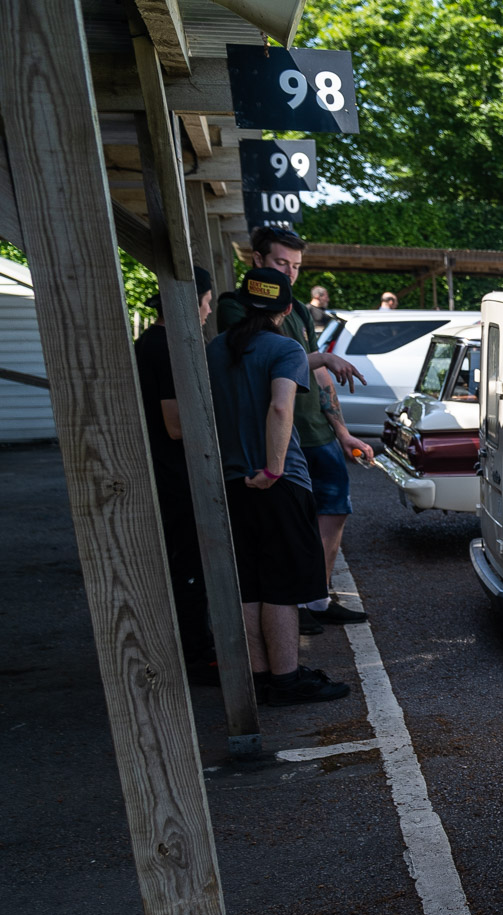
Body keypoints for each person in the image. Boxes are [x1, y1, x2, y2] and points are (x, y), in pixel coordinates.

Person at [217, 226, 374, 631]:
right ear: (257, 260)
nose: (289, 273)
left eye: (296, 266)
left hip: (317, 432)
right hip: (278, 436)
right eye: (280, 263)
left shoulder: (299, 310)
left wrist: (342, 431)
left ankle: (317, 598)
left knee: (334, 511)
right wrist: (319, 357)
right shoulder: (236, 306)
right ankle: (294, 603)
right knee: (288, 526)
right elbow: (260, 366)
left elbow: (322, 374)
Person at [205, 269, 350, 706]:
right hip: (277, 483)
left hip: (229, 483)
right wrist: (271, 468)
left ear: (243, 304)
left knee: (249, 584)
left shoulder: (215, 349)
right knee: (282, 586)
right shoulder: (285, 347)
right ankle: (287, 679)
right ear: (287, 309)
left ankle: (262, 676)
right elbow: (281, 405)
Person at [133, 267, 219, 685]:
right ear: (190, 302)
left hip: (166, 473)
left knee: (185, 564)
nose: (207, 312)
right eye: (205, 302)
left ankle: (194, 648)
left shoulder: (154, 341)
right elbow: (176, 425)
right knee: (188, 566)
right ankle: (197, 657)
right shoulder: (165, 347)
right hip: (173, 476)